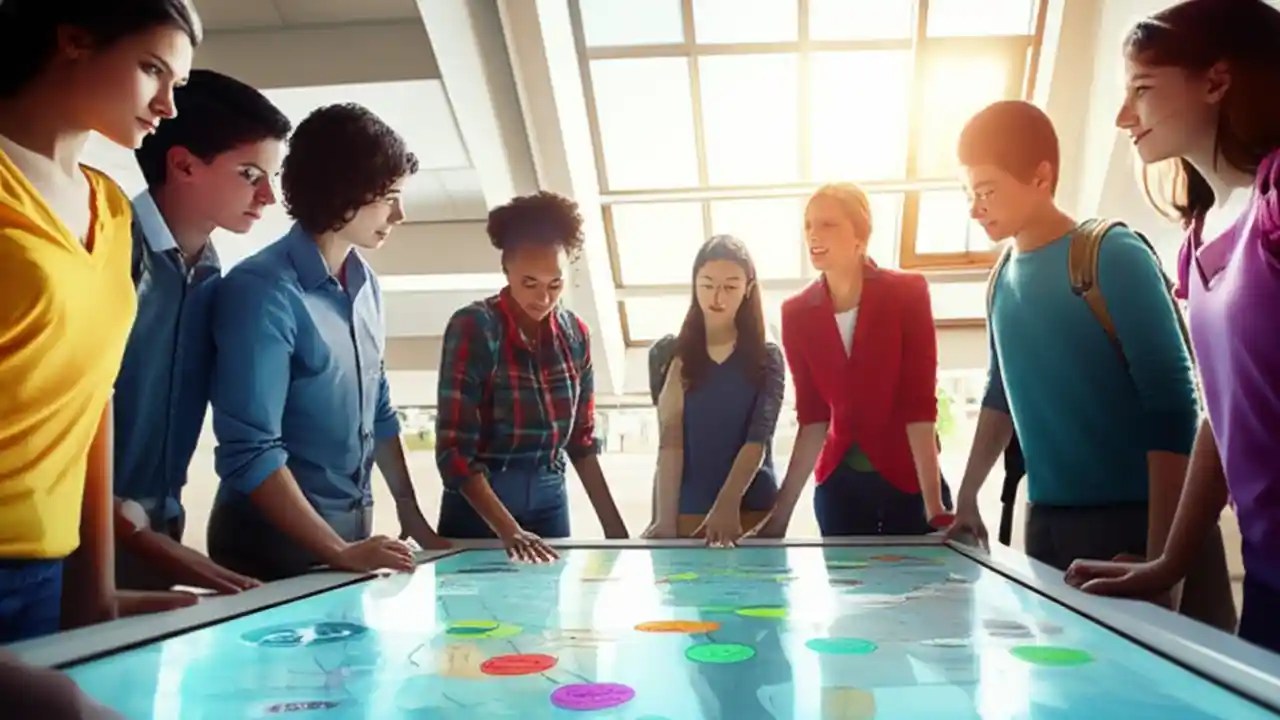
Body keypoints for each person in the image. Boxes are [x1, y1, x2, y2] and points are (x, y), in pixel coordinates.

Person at [943, 99, 1236, 632]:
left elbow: (1173, 402)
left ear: (1040, 176)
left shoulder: (1109, 254)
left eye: (986, 190)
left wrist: (1161, 563)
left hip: (1142, 520)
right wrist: (966, 499)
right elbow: (998, 393)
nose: (975, 208)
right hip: (1050, 526)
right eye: (969, 194)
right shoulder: (1002, 275)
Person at [1066, 0, 1280, 654]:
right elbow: (1221, 414)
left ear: (1216, 82)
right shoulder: (1196, 239)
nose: (1123, 116)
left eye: (1142, 91)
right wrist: (1169, 562)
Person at [0, 0, 203, 644]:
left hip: (46, 571)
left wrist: (96, 590)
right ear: (74, 40)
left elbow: (95, 397)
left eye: (179, 85)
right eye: (152, 70)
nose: (168, 105)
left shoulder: (112, 209)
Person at [206, 103, 449, 582]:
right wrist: (339, 550)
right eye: (389, 197)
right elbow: (250, 451)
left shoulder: (367, 285)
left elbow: (378, 408)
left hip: (348, 542)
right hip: (269, 548)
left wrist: (410, 511)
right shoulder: (262, 290)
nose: (400, 214)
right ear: (345, 192)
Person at [112, 69, 291, 594]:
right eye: (251, 174)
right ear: (183, 164)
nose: (269, 198)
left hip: (160, 529)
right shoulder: (104, 245)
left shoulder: (218, 280)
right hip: (71, 533)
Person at [435, 191, 629, 562]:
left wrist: (617, 532)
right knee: (474, 617)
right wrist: (509, 531)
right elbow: (454, 453)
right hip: (480, 504)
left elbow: (581, 441)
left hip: (549, 497)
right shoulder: (473, 326)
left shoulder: (576, 334)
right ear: (506, 270)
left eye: (555, 284)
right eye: (530, 283)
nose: (543, 297)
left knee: (544, 614)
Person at [755, 183, 951, 539]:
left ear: (861, 236)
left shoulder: (907, 294)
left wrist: (934, 505)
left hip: (910, 485)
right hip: (839, 490)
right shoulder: (796, 313)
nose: (814, 234)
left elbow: (919, 406)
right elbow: (813, 418)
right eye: (809, 224)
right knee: (849, 595)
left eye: (828, 224)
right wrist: (779, 517)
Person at [641, 235, 785, 546]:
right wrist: (664, 520)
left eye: (730, 286)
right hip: (687, 510)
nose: (717, 296)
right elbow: (670, 443)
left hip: (749, 511)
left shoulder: (766, 357)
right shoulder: (667, 354)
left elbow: (758, 440)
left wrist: (727, 502)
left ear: (748, 288)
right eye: (707, 284)